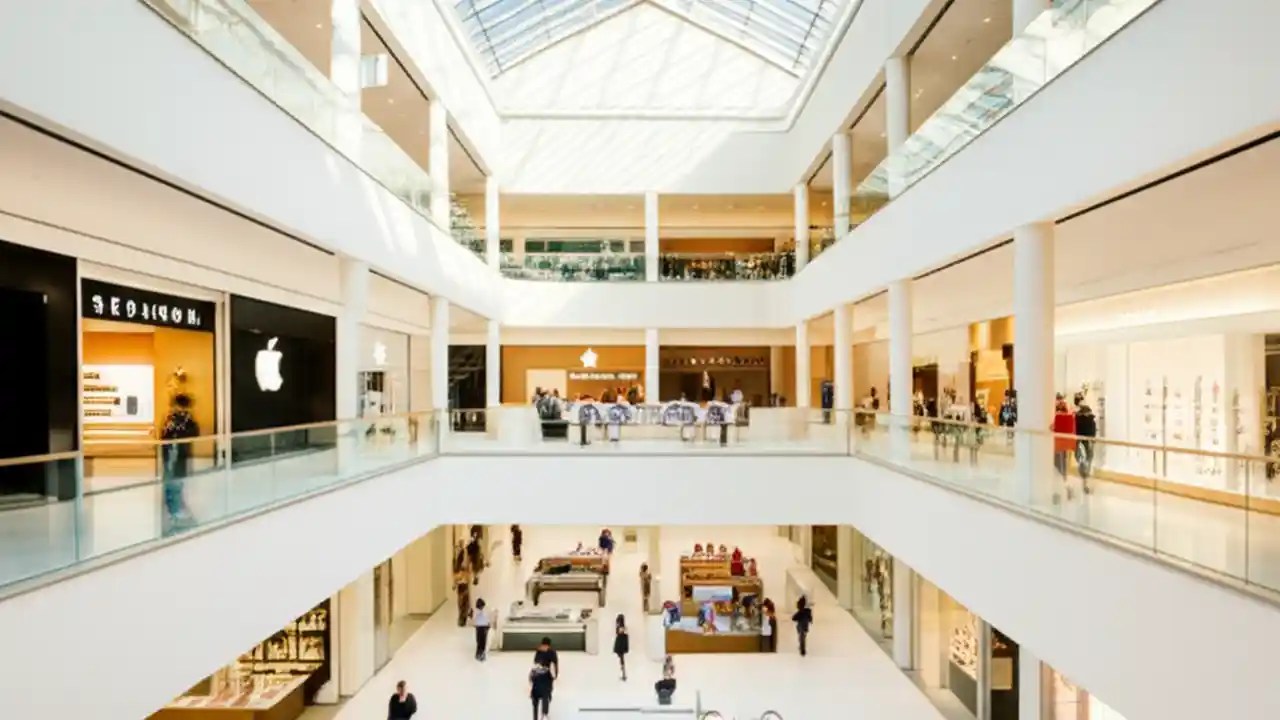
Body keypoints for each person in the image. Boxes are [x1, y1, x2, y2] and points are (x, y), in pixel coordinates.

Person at [160, 393, 199, 532]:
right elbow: (164, 436)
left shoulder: (187, 421)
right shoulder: (171, 420)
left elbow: (194, 433)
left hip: (178, 458)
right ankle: (174, 515)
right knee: (170, 486)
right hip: (169, 457)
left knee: (175, 485)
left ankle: (177, 515)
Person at [1052, 394, 1077, 500]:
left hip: (1057, 444)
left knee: (1058, 468)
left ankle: (1061, 491)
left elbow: (1052, 427)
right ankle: (1065, 490)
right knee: (1062, 468)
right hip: (1063, 444)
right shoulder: (1068, 414)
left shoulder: (1057, 415)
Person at [1074, 392, 1098, 494]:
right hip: (1083, 441)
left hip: (1084, 441)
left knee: (1085, 461)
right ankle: (1085, 482)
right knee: (1085, 461)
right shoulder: (1081, 415)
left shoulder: (1080, 415)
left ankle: (1085, 482)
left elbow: (1092, 429)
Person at [613, 613, 630, 680]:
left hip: (620, 644)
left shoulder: (620, 627)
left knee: (621, 659)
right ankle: (623, 673)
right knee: (621, 659)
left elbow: (620, 633)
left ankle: (623, 674)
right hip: (622, 644)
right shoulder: (622, 627)